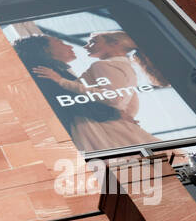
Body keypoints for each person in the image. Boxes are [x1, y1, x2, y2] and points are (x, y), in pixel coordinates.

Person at [16, 33, 158, 152]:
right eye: (60, 42)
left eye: (93, 41)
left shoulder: (59, 73)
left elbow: (114, 99)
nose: (70, 45)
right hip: (98, 128)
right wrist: (120, 114)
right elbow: (74, 103)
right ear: (45, 49)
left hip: (99, 130)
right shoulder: (42, 73)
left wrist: (121, 115)